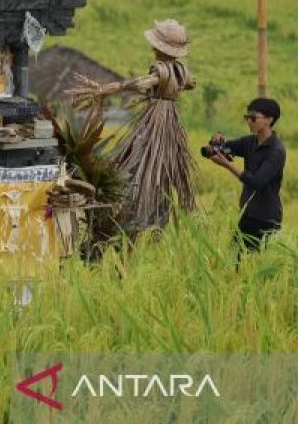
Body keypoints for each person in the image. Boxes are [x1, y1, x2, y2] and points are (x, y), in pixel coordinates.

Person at [71, 19, 197, 233]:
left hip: (157, 120)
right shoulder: (181, 71)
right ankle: (153, 216)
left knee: (138, 158)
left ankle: (131, 213)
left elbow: (138, 83)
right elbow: (191, 83)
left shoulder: (161, 71)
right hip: (170, 119)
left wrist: (103, 89)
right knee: (161, 166)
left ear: (157, 47)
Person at [206, 98, 285, 253]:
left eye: (253, 118)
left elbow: (256, 182)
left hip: (266, 218)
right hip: (247, 214)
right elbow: (224, 147)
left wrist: (227, 164)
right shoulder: (250, 142)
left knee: (256, 266)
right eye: (247, 117)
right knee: (236, 263)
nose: (249, 121)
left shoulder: (276, 151)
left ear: (269, 120)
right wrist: (215, 141)